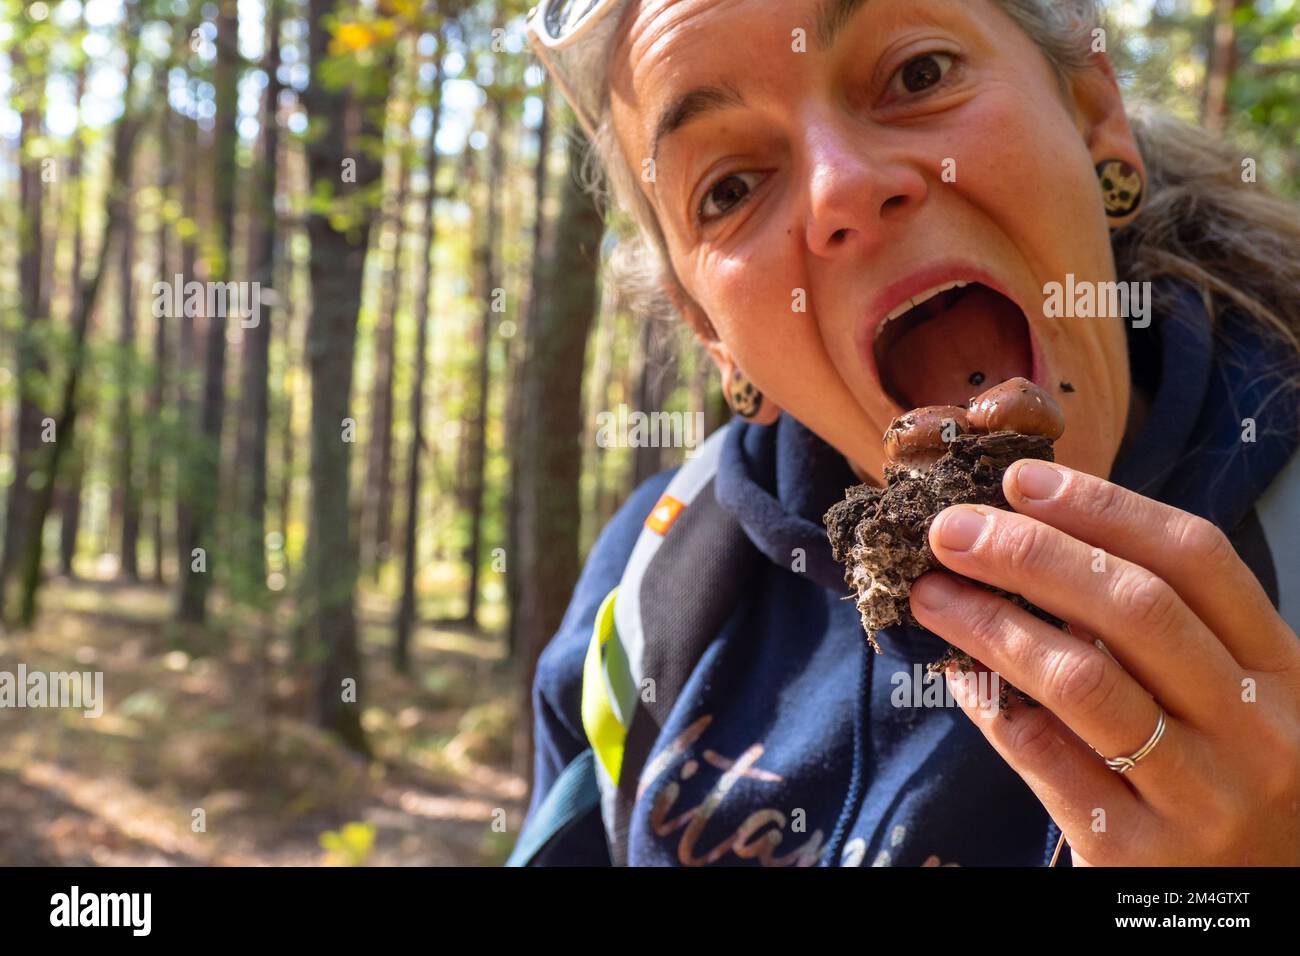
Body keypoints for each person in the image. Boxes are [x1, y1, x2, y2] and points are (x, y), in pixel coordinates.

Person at [512, 0, 1300, 866]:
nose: (843, 187)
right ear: (711, 332)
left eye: (919, 74)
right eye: (729, 189)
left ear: (1092, 110)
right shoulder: (644, 596)